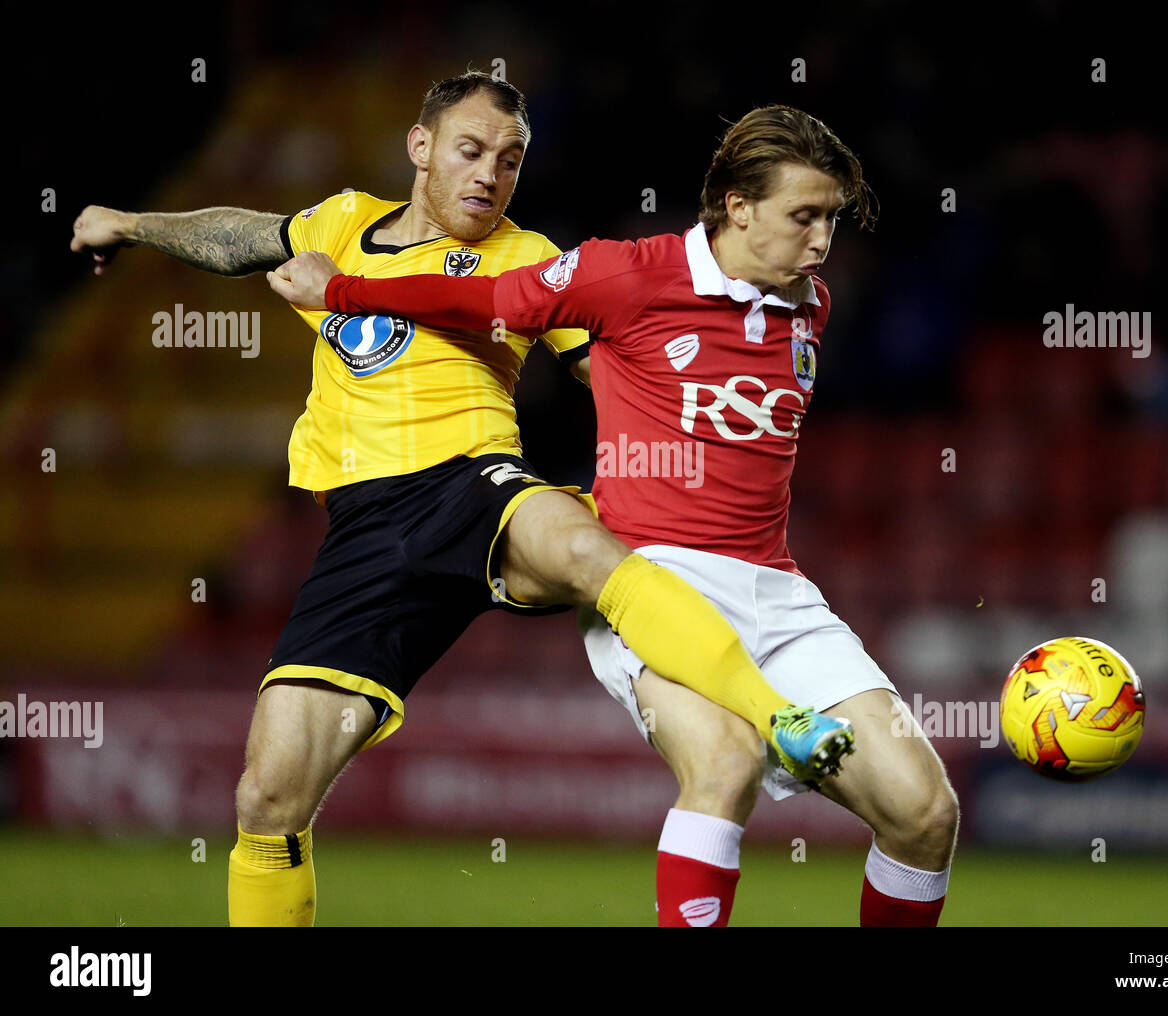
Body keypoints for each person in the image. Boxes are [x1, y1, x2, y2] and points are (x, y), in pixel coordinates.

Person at [69, 76, 854, 927]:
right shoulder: (341, 224)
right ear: (421, 148)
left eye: (510, 162)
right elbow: (243, 239)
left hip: (476, 487)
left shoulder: (526, 257)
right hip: (365, 533)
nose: (490, 175)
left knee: (591, 549)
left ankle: (781, 715)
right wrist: (131, 225)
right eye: (471, 151)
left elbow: (619, 368)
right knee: (266, 800)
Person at [269, 103, 961, 928]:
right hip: (655, 582)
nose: (821, 242)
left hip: (780, 593)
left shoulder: (809, 304)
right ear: (738, 207)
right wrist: (341, 288)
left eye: (831, 220)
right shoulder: (626, 273)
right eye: (803, 217)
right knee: (726, 762)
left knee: (926, 814)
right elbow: (487, 299)